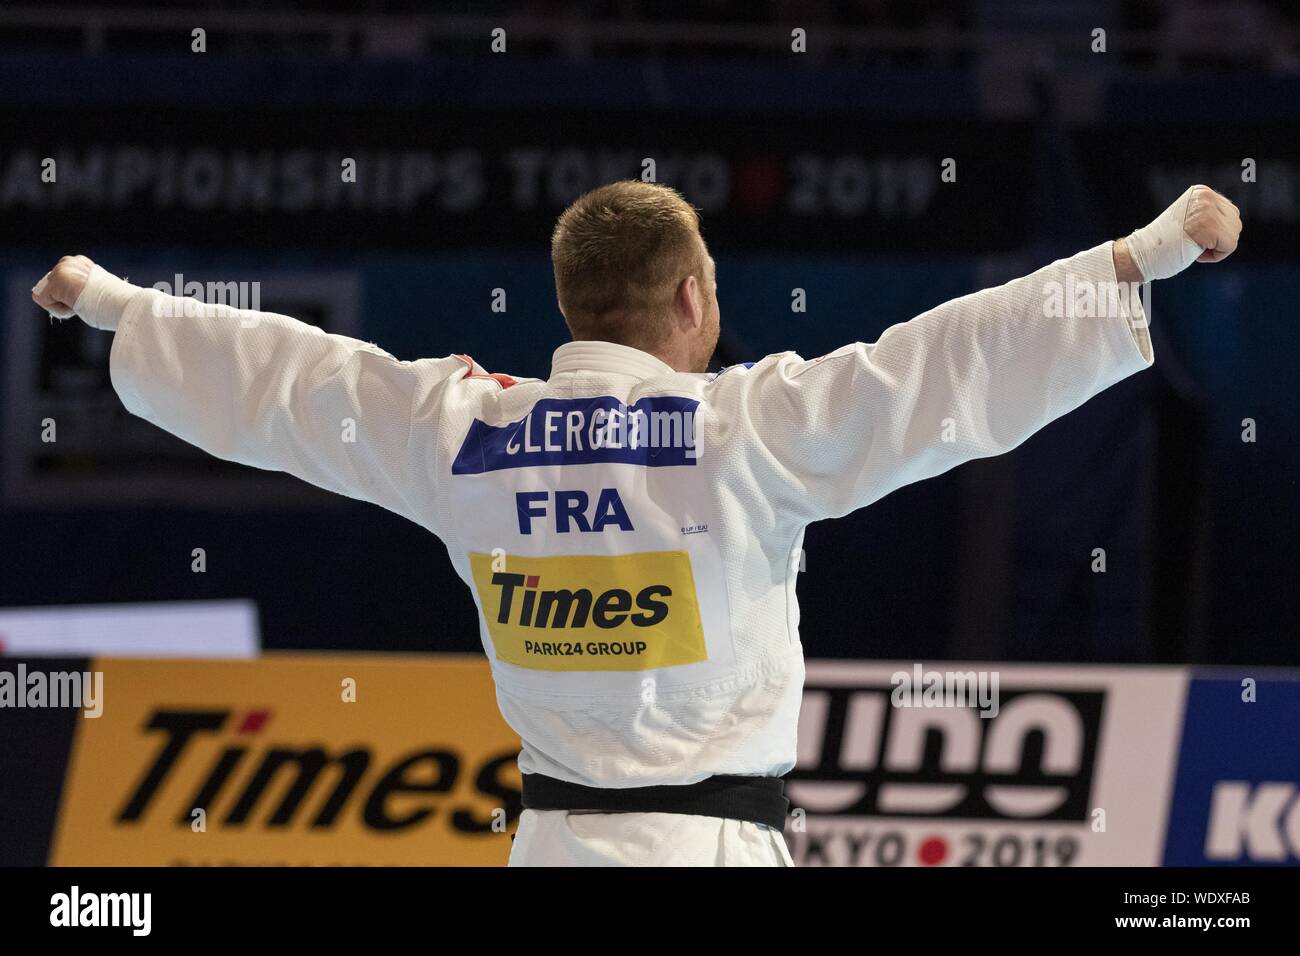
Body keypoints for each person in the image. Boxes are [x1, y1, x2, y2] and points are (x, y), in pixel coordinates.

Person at [33, 180, 1240, 866]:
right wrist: (1136, 258)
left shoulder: (465, 427)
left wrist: (116, 305)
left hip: (551, 849)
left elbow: (293, 382)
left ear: (571, 303)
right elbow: (939, 369)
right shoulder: (743, 427)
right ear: (691, 296)